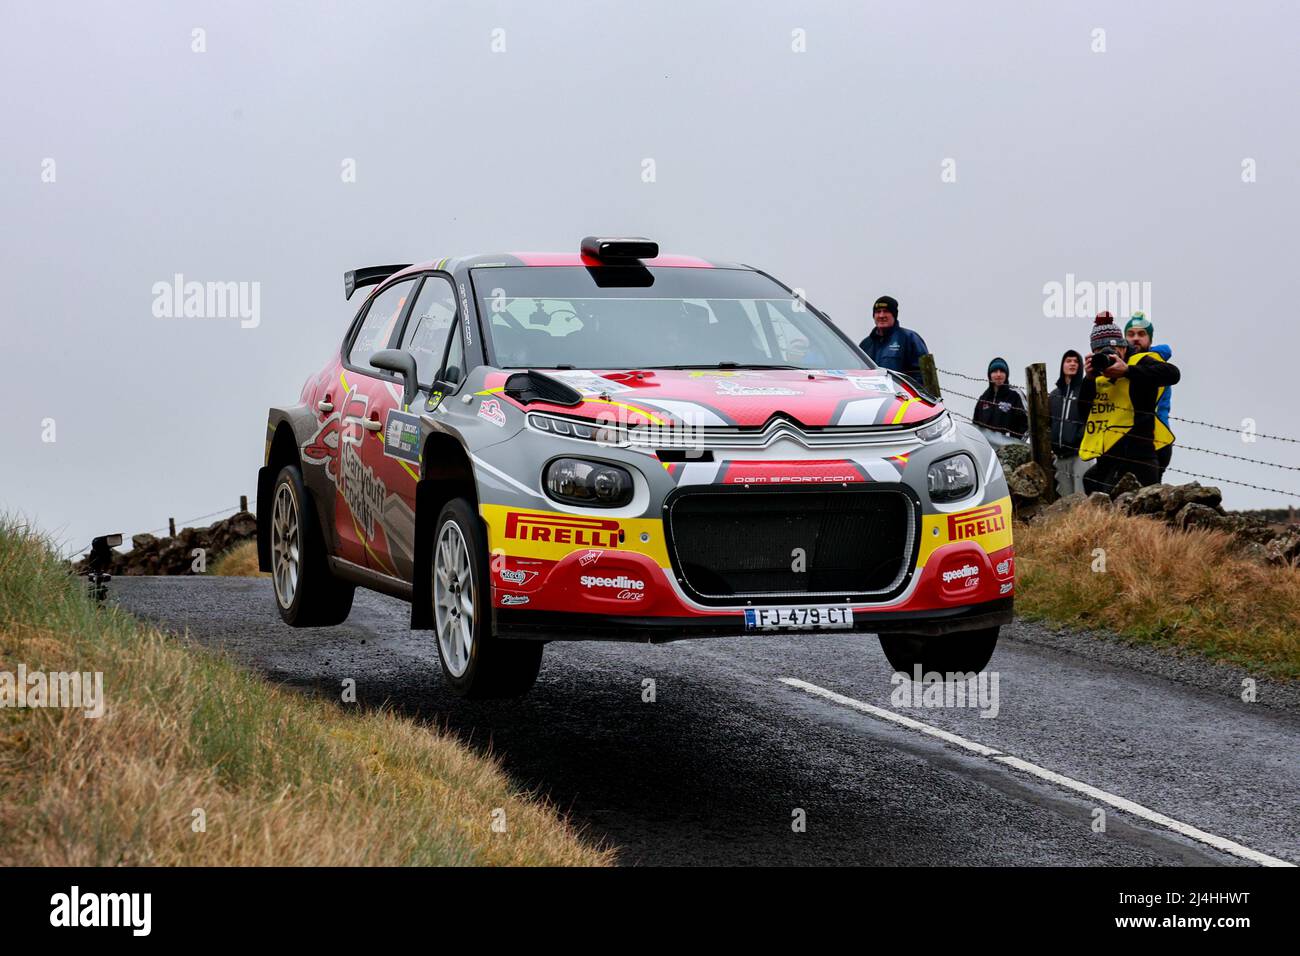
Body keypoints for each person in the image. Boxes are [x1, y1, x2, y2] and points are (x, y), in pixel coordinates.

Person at [1078, 311, 1179, 493]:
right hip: (1107, 455)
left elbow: (1173, 374)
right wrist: (1088, 379)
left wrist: (1127, 371)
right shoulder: (1096, 374)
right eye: (1101, 351)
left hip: (1139, 454)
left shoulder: (1139, 361)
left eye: (1115, 349)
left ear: (1124, 346)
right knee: (1091, 484)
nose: (1110, 355)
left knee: (1143, 502)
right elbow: (1083, 412)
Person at [858, 295, 930, 380]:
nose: (881, 315)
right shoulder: (865, 344)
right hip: (872, 388)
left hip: (899, 389)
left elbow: (924, 374)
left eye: (886, 311)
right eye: (878, 312)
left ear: (894, 315)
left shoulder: (909, 338)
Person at [1049, 349, 1089, 496]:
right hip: (1060, 456)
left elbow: (1090, 419)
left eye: (1076, 361)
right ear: (1062, 365)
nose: (1072, 364)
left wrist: (1079, 437)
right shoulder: (1054, 395)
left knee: (1081, 495)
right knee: (1064, 498)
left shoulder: (1085, 391)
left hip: (1080, 455)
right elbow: (1048, 422)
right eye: (1068, 361)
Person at [973, 357, 1029, 447]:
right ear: (989, 375)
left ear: (1006, 374)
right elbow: (975, 426)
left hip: (1010, 449)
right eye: (995, 371)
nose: (998, 375)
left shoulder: (1015, 394)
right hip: (987, 448)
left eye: (1002, 371)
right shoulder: (984, 398)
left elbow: (1027, 423)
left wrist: (1016, 445)